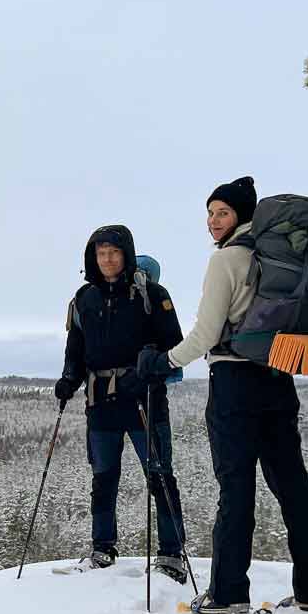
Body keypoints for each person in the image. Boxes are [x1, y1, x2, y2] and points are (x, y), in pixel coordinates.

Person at [136, 177, 308, 614]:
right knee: (294, 489)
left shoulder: (227, 260)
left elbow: (207, 334)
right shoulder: (274, 258)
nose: (213, 221)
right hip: (277, 375)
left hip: (233, 383)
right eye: (210, 212)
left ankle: (228, 594)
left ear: (243, 216)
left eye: (222, 212)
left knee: (235, 489)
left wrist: (165, 360)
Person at [54, 224, 189, 580]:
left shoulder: (151, 293)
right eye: (101, 253)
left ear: (126, 254)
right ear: (92, 258)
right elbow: (77, 349)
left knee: (159, 477)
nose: (108, 259)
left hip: (145, 399)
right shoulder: (84, 299)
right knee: (103, 477)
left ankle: (172, 554)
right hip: (101, 404)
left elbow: (174, 346)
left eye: (114, 252)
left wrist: (149, 366)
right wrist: (69, 378)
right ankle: (102, 548)